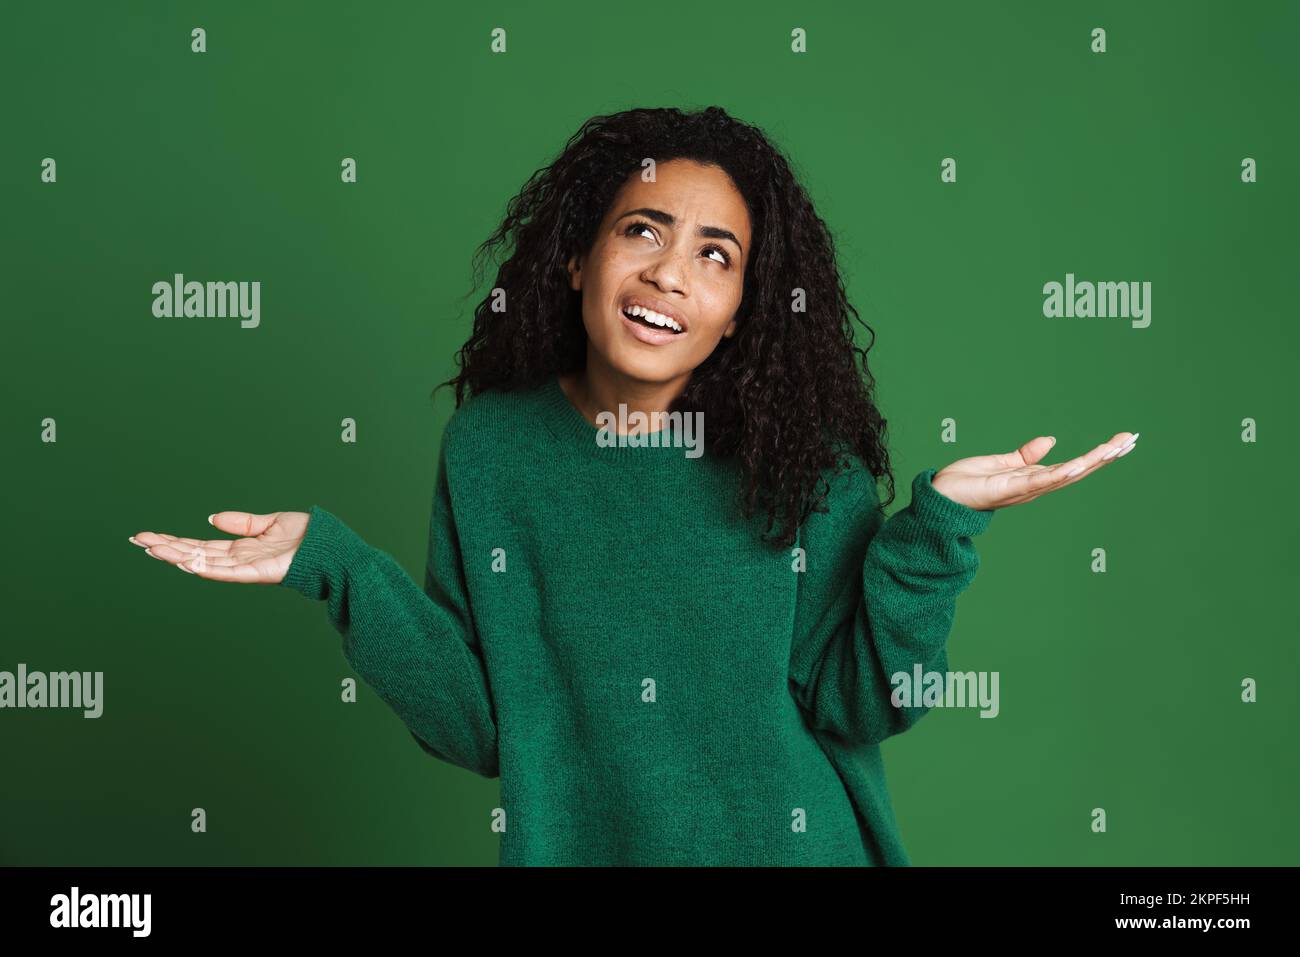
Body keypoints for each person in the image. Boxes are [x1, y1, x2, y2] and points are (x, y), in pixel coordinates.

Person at [129, 106, 1138, 866]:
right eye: (641, 231)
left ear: (741, 306)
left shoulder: (805, 468)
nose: (669, 275)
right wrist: (335, 565)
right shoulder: (493, 451)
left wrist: (937, 531)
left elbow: (862, 704)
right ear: (576, 257)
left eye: (715, 256)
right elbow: (491, 725)